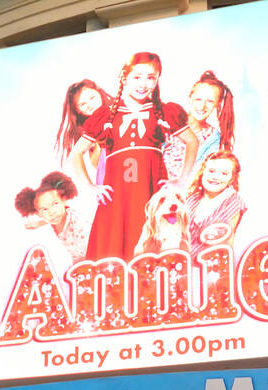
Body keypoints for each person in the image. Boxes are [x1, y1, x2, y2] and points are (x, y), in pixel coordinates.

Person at [67, 51, 198, 261]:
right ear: (124, 77)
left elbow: (192, 140)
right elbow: (76, 154)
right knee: (112, 259)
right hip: (117, 201)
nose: (143, 83)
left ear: (157, 80)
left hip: (150, 194)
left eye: (151, 77)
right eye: (137, 77)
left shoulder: (164, 111)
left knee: (150, 253)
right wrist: (91, 187)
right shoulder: (106, 115)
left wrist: (182, 178)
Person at [185, 151, 245, 257]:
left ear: (231, 179)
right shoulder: (191, 198)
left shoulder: (233, 202)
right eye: (211, 171)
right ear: (203, 172)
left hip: (211, 264)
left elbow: (228, 242)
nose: (215, 177)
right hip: (182, 261)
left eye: (224, 173)